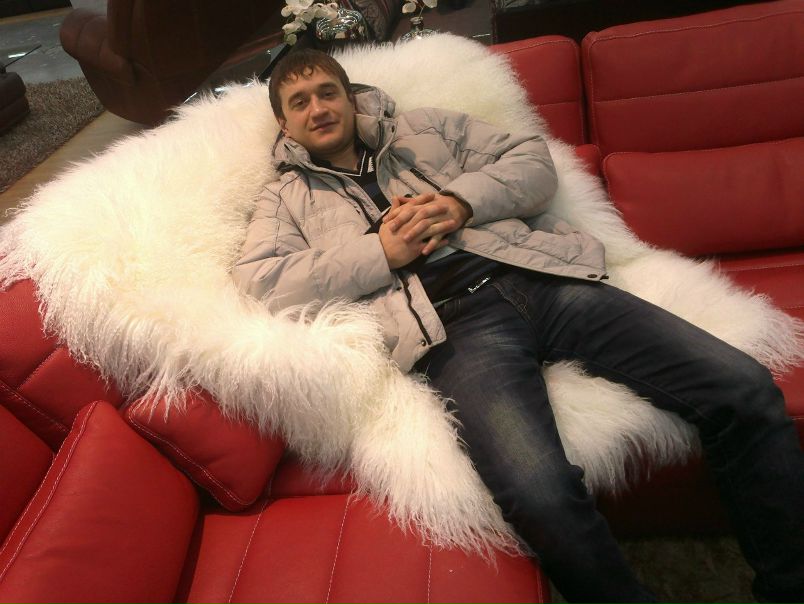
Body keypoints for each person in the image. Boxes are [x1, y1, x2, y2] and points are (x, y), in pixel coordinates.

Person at [232, 49, 804, 604]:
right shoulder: (285, 199)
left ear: (350, 98)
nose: (318, 108)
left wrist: (461, 202)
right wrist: (379, 252)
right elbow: (261, 281)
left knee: (743, 387)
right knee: (538, 494)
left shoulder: (424, 128)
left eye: (328, 92)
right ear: (284, 123)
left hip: (542, 280)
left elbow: (532, 161)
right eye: (300, 102)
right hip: (454, 330)